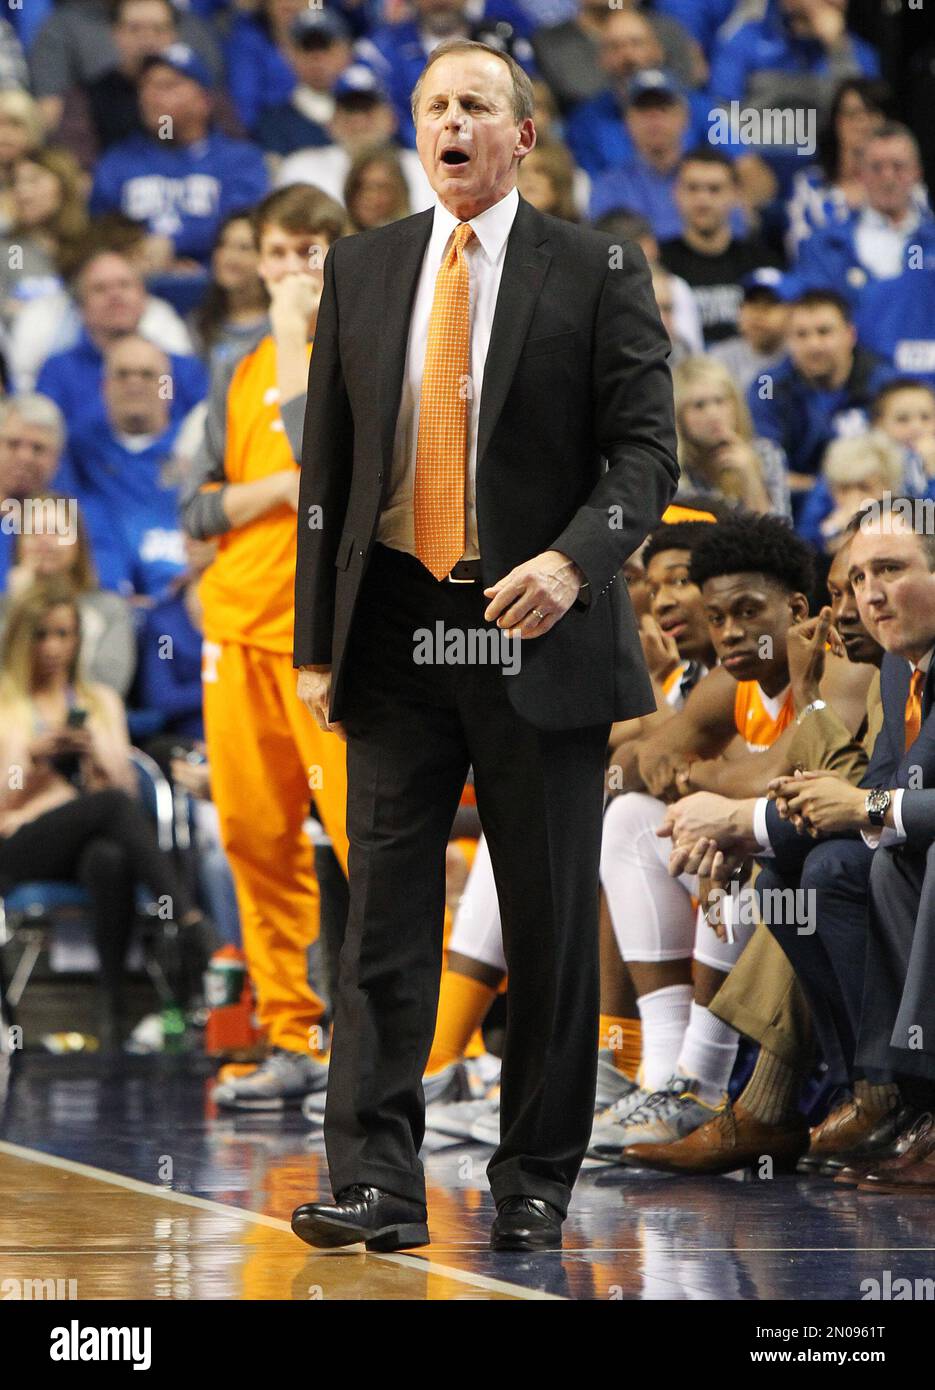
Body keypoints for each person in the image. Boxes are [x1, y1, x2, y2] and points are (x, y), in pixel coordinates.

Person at [289, 37, 677, 1254]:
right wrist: (314, 642)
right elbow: (326, 472)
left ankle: (533, 1179)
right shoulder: (360, 264)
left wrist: (570, 562)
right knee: (381, 918)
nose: (449, 123)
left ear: (522, 134)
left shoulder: (596, 267)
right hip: (394, 626)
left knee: (548, 918)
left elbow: (645, 455)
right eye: (432, 106)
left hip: (534, 622)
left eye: (473, 105)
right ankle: (375, 1182)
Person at [182, 184, 351, 1112]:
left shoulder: (363, 350)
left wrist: (292, 330)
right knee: (254, 839)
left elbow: (313, 449)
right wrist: (270, 494)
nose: (291, 271)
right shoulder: (235, 366)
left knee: (369, 840)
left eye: (309, 252)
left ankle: (440, 1045)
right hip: (238, 630)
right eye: (277, 253)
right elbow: (198, 507)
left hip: (330, 637)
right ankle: (292, 1033)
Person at [0, 579, 205, 1047]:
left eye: (63, 634)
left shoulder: (100, 701)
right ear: (22, 639)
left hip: (82, 840)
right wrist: (31, 759)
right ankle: (191, 924)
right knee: (108, 812)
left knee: (108, 857)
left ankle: (111, 1009)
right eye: (41, 634)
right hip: (17, 843)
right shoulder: (6, 702)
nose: (53, 647)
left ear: (78, 639)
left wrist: (94, 753)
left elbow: (126, 793)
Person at [89, 43, 269, 274]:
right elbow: (100, 231)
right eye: (146, 86)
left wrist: (174, 244)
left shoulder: (240, 161)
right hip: (137, 283)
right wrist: (140, 251)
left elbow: (244, 227)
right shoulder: (117, 162)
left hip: (216, 284)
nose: (151, 96)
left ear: (204, 101)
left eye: (167, 86)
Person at [36, 250, 208, 437]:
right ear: (81, 308)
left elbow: (202, 431)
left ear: (145, 299)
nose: (115, 295)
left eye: (124, 285)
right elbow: (44, 436)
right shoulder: (58, 372)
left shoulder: (180, 369)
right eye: (100, 289)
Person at [748, 287, 896, 501]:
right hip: (796, 511)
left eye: (824, 332)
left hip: (879, 504)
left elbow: (902, 463)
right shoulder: (768, 387)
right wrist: (830, 490)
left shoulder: (886, 383)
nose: (814, 345)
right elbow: (767, 473)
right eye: (801, 335)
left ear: (850, 335)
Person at [1, 493, 137, 698]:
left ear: (78, 543)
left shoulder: (109, 608)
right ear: (19, 545)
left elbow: (110, 684)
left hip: (84, 713)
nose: (44, 541)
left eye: (56, 531)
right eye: (33, 532)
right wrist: (19, 606)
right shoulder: (7, 607)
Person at [795, 123, 935, 311]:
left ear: (917, 173)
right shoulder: (824, 245)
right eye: (876, 167)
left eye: (898, 167)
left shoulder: (931, 242)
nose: (888, 177)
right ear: (860, 175)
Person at [660, 148, 781, 348]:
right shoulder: (658, 265)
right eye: (693, 188)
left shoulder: (763, 263)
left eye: (714, 189)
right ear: (676, 193)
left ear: (735, 193)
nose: (703, 200)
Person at [274, 63, 434, 214]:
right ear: (331, 123)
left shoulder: (425, 171)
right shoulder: (302, 170)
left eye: (367, 111)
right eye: (349, 111)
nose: (358, 123)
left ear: (392, 119)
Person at [673, 356, 789, 516]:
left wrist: (750, 478)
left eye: (720, 401)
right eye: (699, 405)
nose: (713, 414)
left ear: (736, 405)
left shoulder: (765, 454)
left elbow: (779, 530)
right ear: (679, 416)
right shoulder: (671, 468)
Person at [253, 6, 354, 156]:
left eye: (325, 46)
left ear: (347, 51)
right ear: (290, 55)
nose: (317, 57)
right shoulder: (274, 124)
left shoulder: (369, 112)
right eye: (307, 47)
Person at [0, 392, 63, 588]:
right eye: (13, 444)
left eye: (38, 448)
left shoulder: (75, 521)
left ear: (57, 459)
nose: (25, 457)